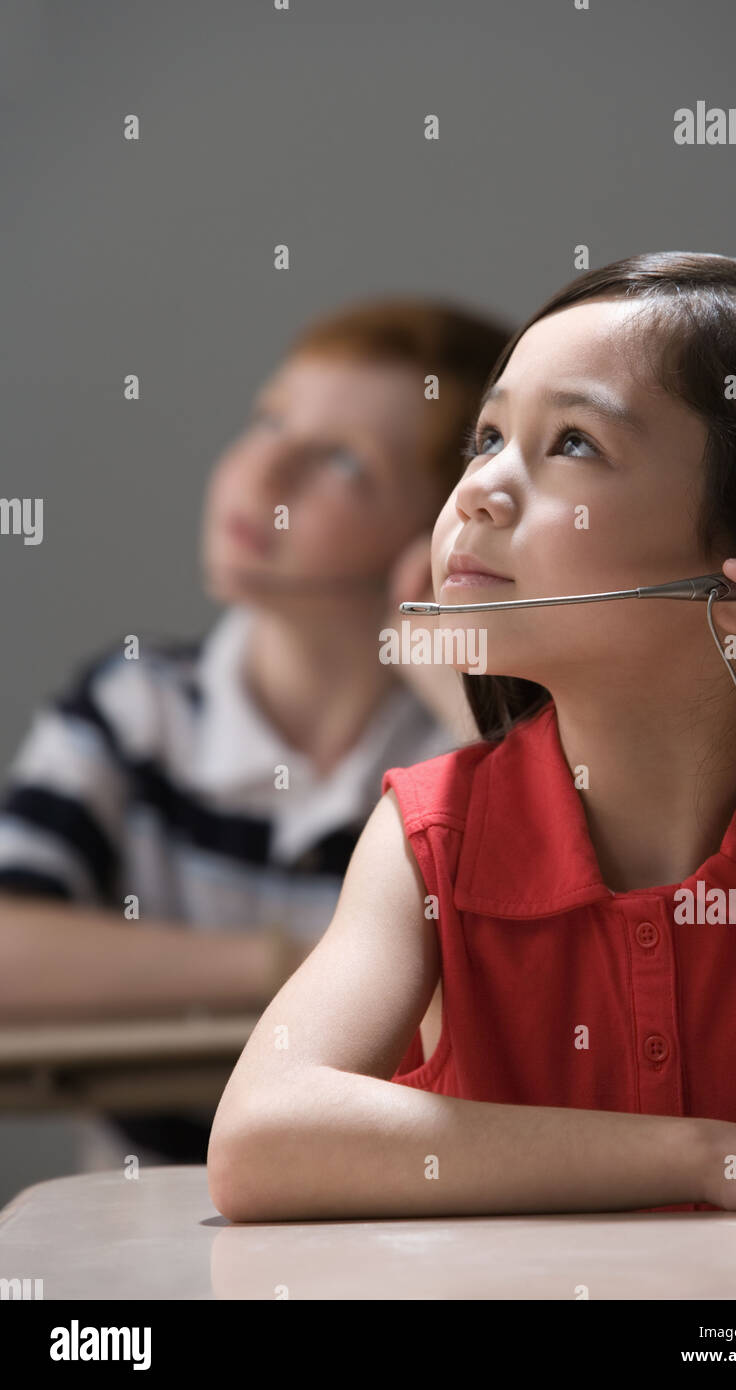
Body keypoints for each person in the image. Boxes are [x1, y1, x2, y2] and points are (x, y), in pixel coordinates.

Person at [208, 251, 736, 1221]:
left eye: (571, 444)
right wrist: (711, 1158)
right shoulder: (433, 835)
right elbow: (263, 1139)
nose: (478, 490)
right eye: (486, 437)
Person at [0, 296, 513, 1164]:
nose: (261, 475)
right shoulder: (133, 708)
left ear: (437, 528)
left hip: (401, 1235)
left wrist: (452, 674)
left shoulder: (462, 747)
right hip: (151, 1241)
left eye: (342, 463)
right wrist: (304, 963)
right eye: (270, 420)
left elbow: (552, 968)